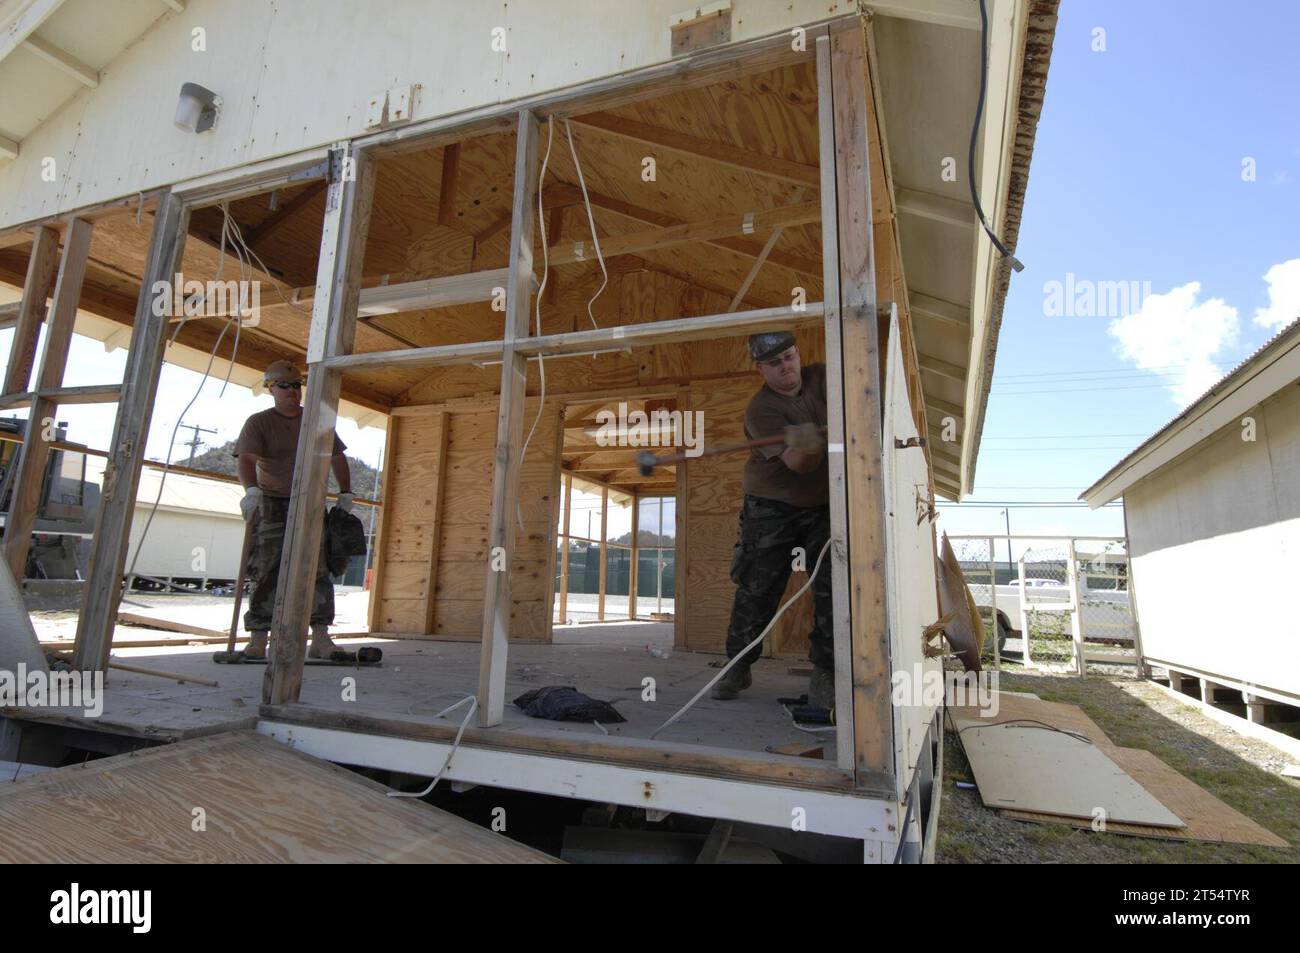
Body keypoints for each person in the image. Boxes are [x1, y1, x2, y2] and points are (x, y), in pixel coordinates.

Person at [711, 331, 835, 708]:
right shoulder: (761, 410)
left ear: (798, 355)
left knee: (833, 584)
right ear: (761, 369)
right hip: (771, 504)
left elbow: (863, 391)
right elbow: (799, 465)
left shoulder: (824, 378)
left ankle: (827, 673)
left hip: (826, 506)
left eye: (790, 357)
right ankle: (738, 664)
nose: (786, 368)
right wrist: (807, 440)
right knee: (757, 587)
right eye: (775, 364)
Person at [234, 360, 354, 660]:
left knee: (317, 567)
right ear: (271, 389)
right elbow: (246, 459)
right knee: (265, 568)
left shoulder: (316, 420)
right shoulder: (259, 422)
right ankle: (259, 638)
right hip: (272, 501)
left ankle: (321, 638)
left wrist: (346, 491)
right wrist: (251, 490)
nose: (292, 391)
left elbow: (337, 457)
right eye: (284, 386)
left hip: (310, 501)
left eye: (296, 385)